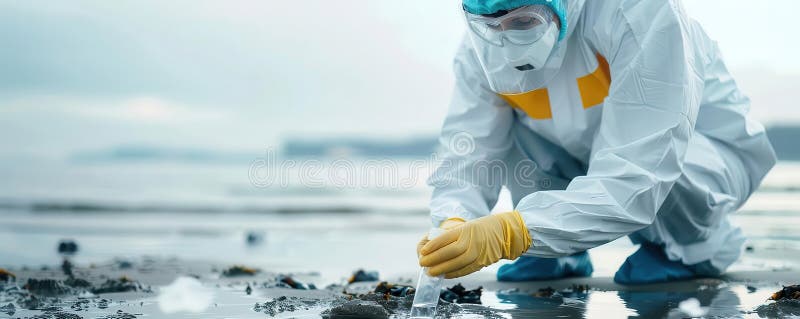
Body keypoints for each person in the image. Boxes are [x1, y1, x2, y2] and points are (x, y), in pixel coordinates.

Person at [417, 0, 776, 284]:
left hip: (700, 152)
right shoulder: (485, 39)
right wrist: (453, 219)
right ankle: (556, 252)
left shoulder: (637, 11)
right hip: (583, 154)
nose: (506, 48)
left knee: (672, 171)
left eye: (524, 22)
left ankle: (693, 249)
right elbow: (468, 150)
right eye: (489, 24)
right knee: (513, 128)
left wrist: (517, 230)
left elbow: (638, 173)